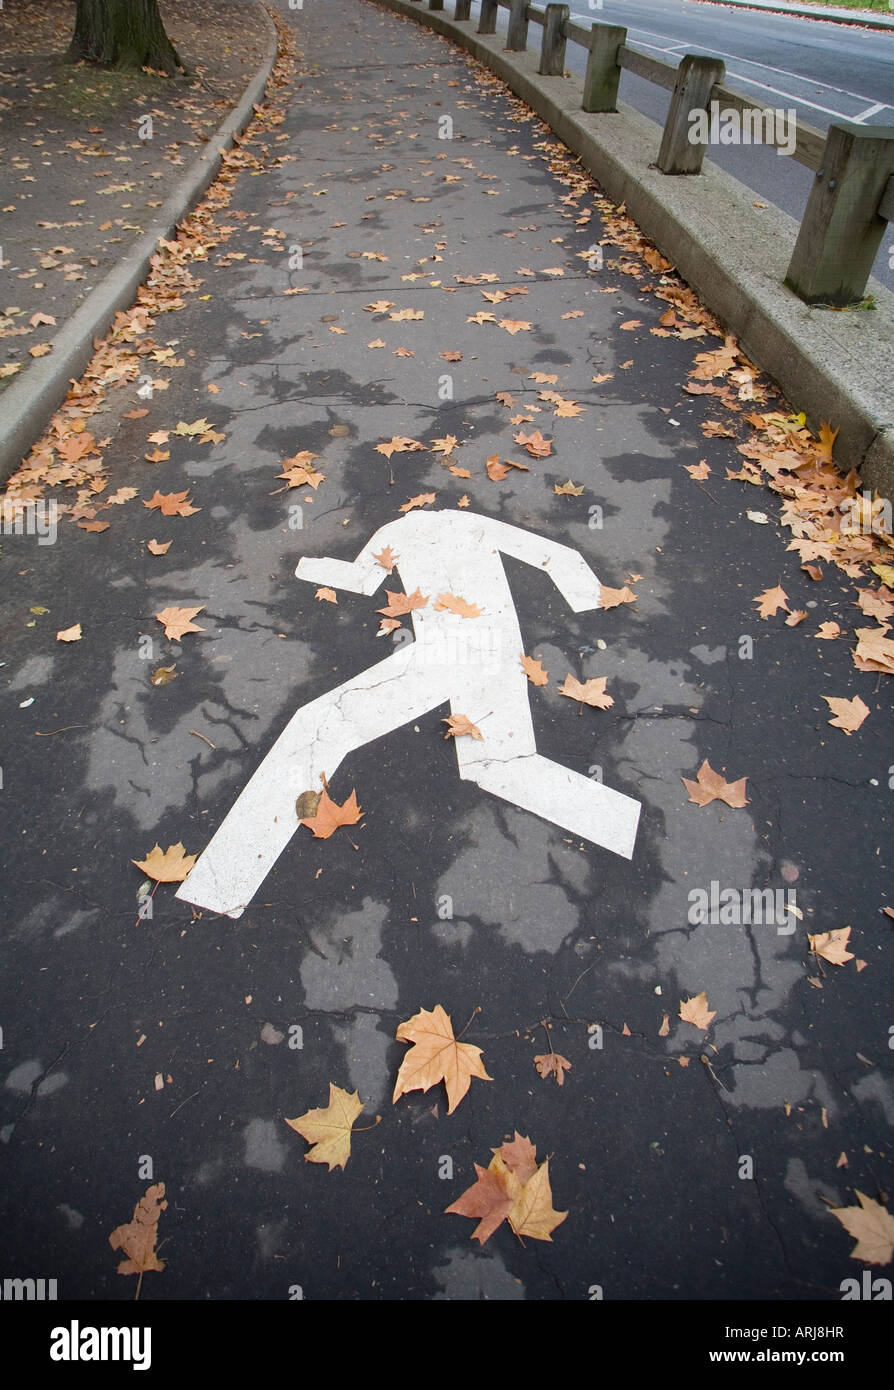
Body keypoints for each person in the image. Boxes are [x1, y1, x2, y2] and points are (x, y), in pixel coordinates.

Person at [177, 508, 641, 917]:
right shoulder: (469, 523)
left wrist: (306, 564)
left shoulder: (394, 530)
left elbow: (362, 580)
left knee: (321, 724)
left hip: (446, 651)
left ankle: (223, 881)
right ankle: (622, 824)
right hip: (498, 646)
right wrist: (587, 595)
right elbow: (553, 554)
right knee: (500, 764)